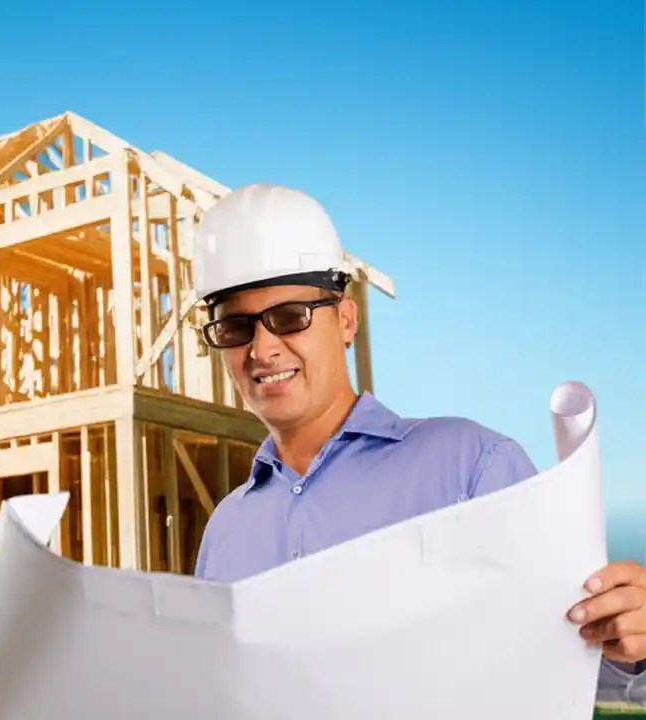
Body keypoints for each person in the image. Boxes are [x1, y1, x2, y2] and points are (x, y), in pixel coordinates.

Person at [189, 183, 646, 703]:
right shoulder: (226, 530)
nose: (263, 348)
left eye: (290, 317)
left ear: (345, 320)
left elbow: (573, 661)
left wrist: (632, 640)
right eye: (235, 327)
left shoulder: (470, 467)